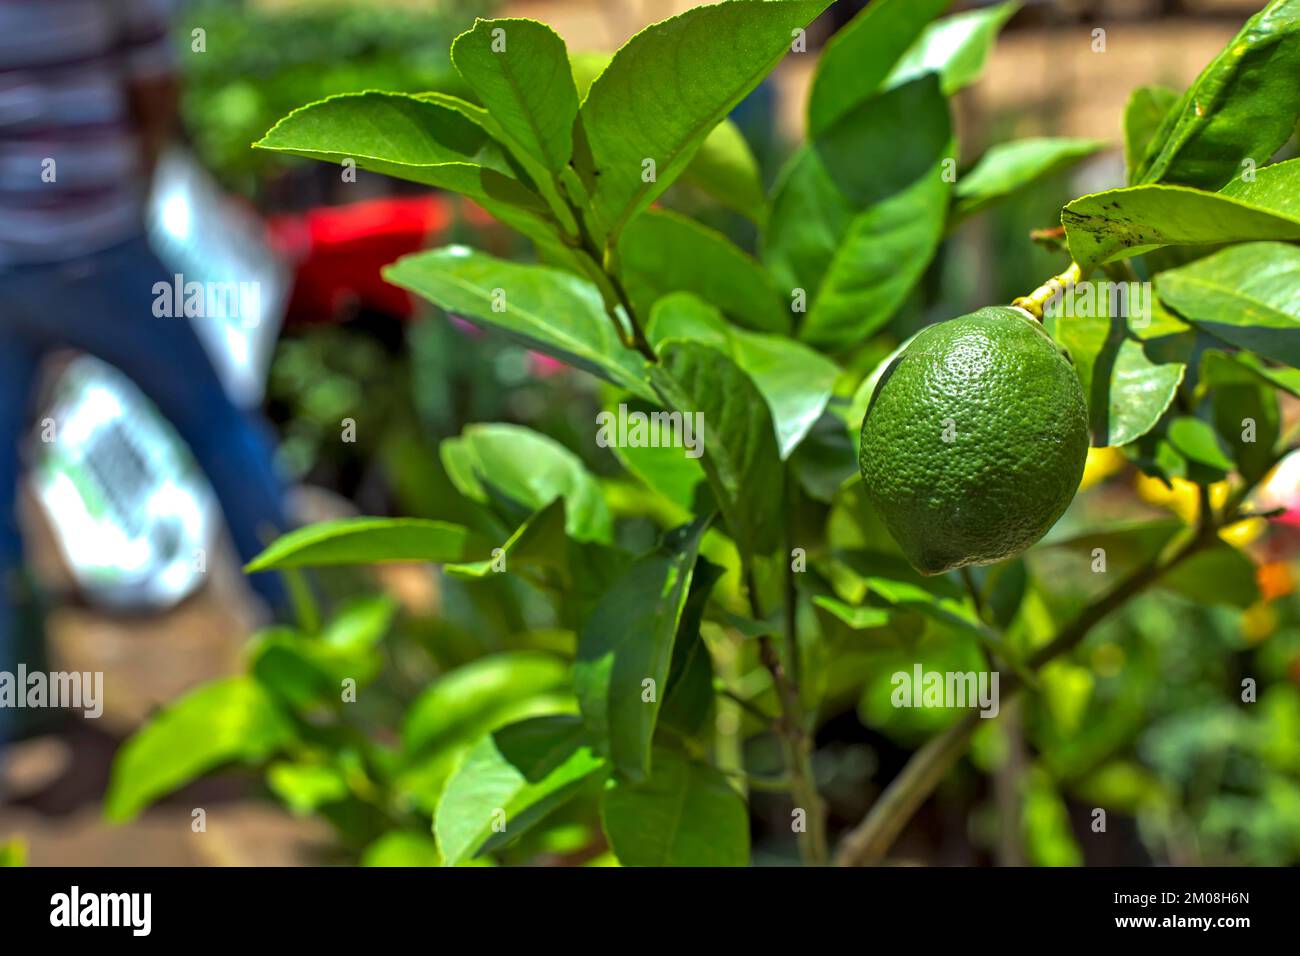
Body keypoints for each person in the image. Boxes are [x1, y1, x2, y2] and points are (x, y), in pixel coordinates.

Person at [0, 1, 290, 750]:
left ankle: (15, 699)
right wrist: (137, 192)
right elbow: (153, 86)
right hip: (102, 243)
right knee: (220, 429)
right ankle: (308, 649)